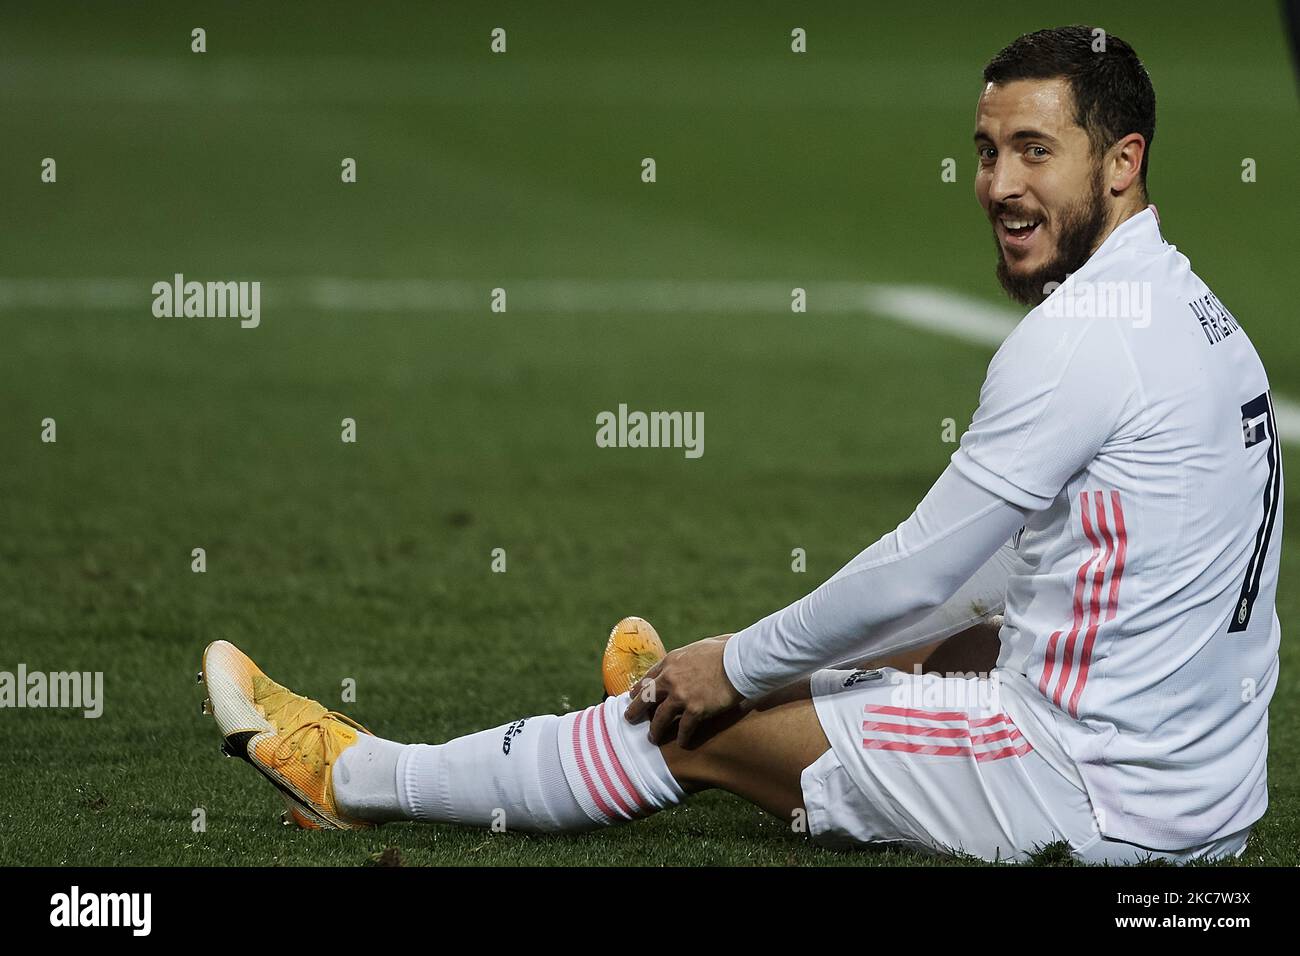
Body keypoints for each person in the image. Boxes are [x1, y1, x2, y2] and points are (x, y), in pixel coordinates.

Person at [201, 25, 1280, 864]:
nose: (999, 184)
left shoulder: (1078, 341)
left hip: (1095, 798)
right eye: (987, 150)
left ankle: (357, 775)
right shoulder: (1193, 314)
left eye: (1035, 151)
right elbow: (1020, 567)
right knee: (906, 651)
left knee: (684, 727)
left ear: (1122, 160)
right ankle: (719, 690)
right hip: (1204, 795)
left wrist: (734, 668)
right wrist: (797, 657)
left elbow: (924, 562)